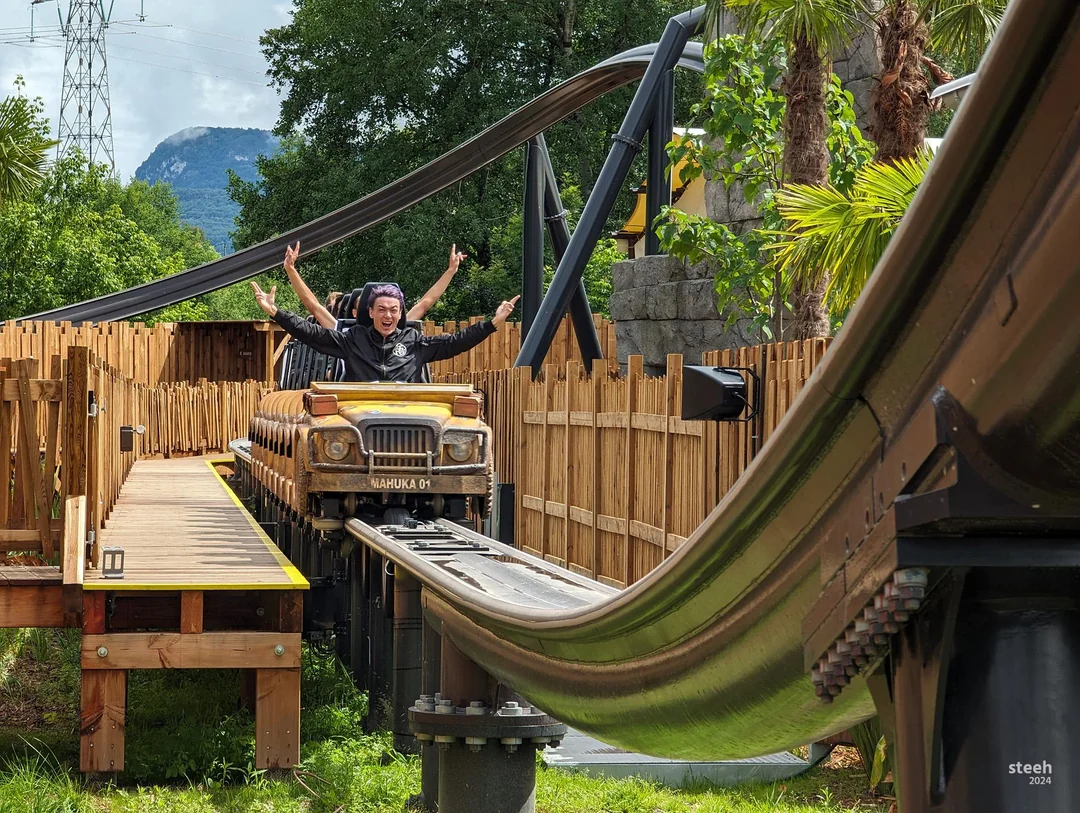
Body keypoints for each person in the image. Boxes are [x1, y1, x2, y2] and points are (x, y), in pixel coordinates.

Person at [252, 280, 519, 383]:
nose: (388, 315)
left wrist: (491, 324)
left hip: (407, 417)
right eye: (381, 309)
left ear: (401, 313)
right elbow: (311, 333)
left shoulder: (413, 341)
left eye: (394, 310)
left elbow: (454, 343)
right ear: (370, 313)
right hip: (359, 416)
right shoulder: (352, 340)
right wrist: (276, 313)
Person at [282, 240, 466, 328]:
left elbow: (425, 303)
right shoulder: (347, 335)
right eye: (376, 307)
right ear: (366, 311)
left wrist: (450, 271)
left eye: (392, 310)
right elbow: (314, 307)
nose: (386, 314)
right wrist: (291, 270)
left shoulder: (400, 330)